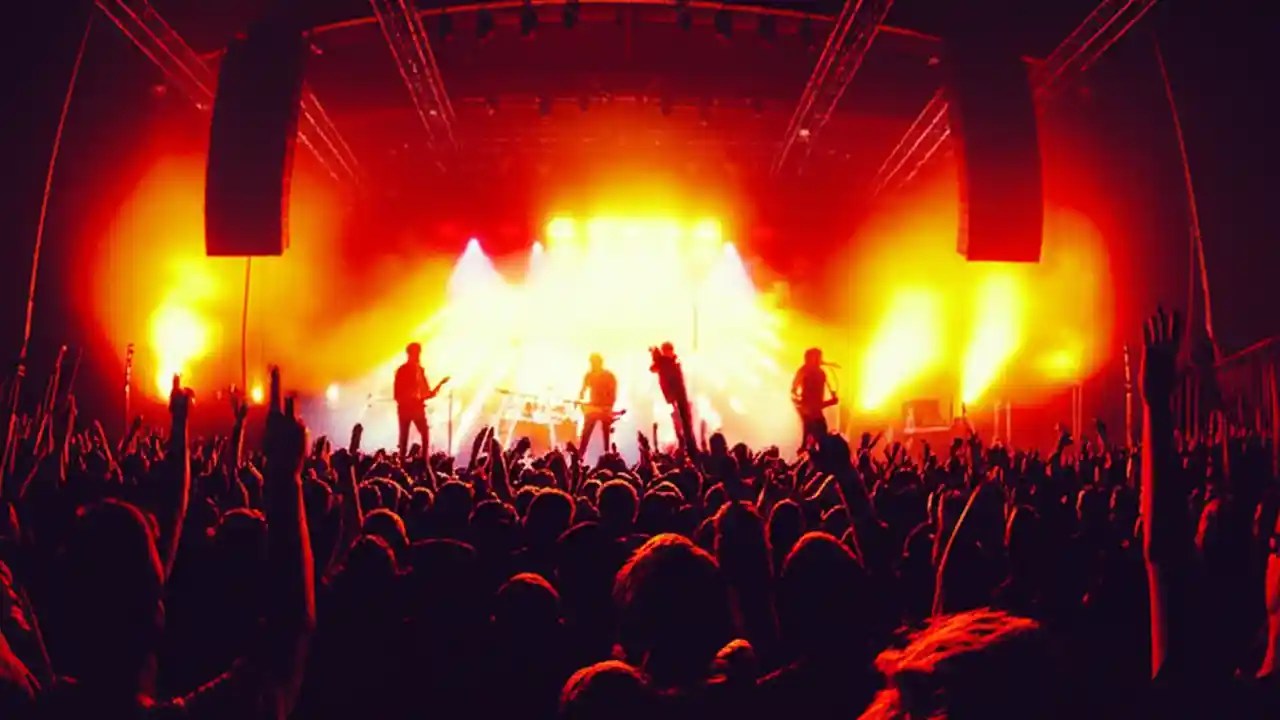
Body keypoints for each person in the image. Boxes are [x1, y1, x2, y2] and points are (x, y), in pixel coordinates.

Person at [650, 342, 696, 458]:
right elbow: (655, 368)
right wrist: (656, 355)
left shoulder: (672, 362)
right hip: (675, 398)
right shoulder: (665, 362)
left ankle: (687, 447)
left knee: (684, 425)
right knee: (682, 424)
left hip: (678, 398)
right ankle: (686, 447)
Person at [791, 348, 836, 452]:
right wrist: (800, 403)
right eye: (817, 357)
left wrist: (830, 401)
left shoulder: (821, 372)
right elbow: (793, 390)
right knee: (813, 437)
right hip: (810, 412)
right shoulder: (804, 371)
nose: (820, 360)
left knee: (816, 438)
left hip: (815, 411)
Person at [395, 342, 434, 458]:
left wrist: (431, 392)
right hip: (406, 407)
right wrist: (409, 397)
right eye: (416, 353)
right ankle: (403, 461)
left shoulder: (420, 370)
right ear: (410, 354)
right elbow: (397, 393)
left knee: (424, 434)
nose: (418, 356)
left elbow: (426, 392)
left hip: (416, 407)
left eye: (418, 353)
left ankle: (424, 460)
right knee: (404, 438)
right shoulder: (402, 370)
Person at [579, 354, 618, 456]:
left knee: (606, 432)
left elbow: (613, 392)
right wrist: (581, 404)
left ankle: (607, 454)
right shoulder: (589, 375)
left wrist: (609, 406)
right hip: (593, 408)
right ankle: (580, 455)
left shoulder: (609, 376)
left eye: (594, 363)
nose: (592, 365)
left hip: (605, 408)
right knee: (586, 433)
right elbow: (582, 391)